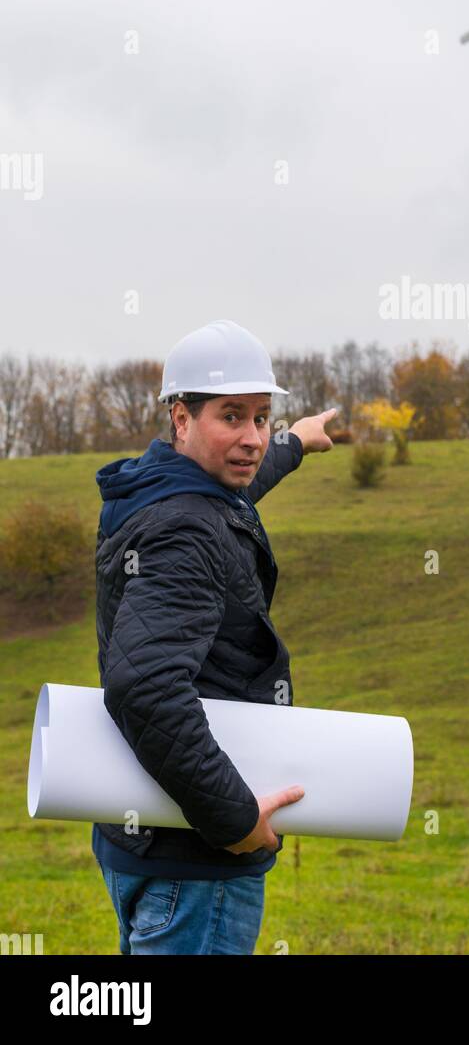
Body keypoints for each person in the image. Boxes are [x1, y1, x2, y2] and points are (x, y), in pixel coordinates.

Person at [92, 319, 336, 954]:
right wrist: (234, 819)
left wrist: (298, 442)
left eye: (261, 418)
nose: (252, 439)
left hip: (146, 839)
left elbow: (239, 481)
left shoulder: (158, 487)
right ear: (181, 417)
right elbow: (143, 686)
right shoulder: (188, 531)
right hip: (197, 860)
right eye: (232, 417)